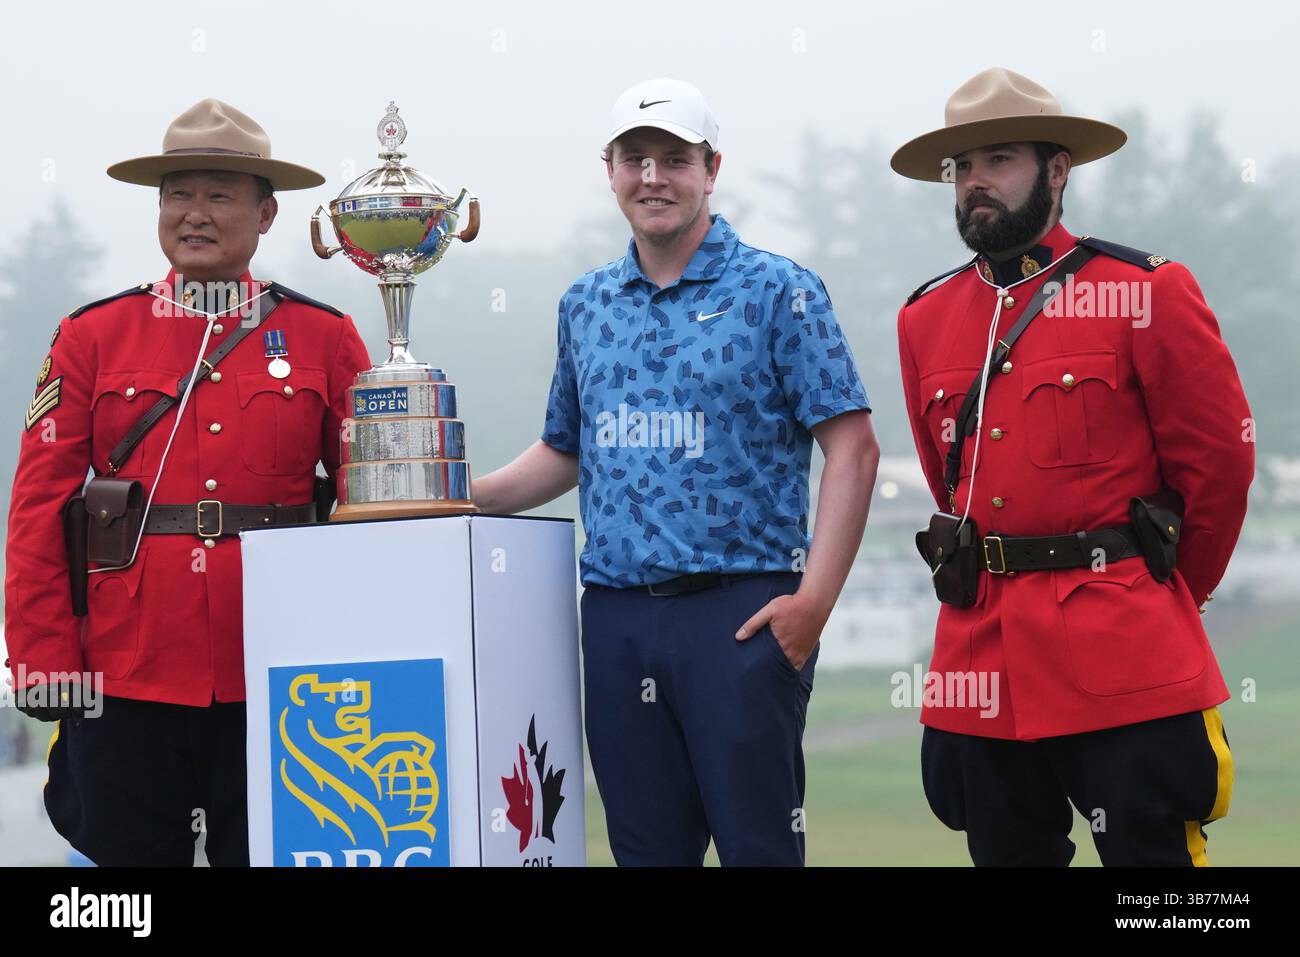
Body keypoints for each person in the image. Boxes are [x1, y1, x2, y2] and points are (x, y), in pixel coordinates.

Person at [474, 78, 879, 866]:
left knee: (759, 849)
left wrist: (813, 605)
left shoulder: (778, 290)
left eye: (674, 158)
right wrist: (460, 497)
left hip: (741, 613)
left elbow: (853, 447)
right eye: (635, 159)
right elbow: (566, 448)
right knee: (645, 852)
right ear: (610, 169)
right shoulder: (585, 302)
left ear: (711, 167)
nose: (652, 176)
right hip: (619, 620)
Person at [892, 67, 1253, 865]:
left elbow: (1218, 469)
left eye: (1000, 159)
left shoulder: (1143, 290)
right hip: (981, 657)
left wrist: (1151, 596)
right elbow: (950, 483)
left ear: (1057, 170)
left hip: (1123, 649)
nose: (976, 182)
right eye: (963, 167)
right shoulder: (925, 318)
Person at [3, 98, 372, 865]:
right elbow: (38, 511)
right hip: (125, 669)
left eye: (219, 194)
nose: (194, 213)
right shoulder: (93, 336)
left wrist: (359, 652)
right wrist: (43, 656)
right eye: (177, 193)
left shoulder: (323, 337)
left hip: (277, 673)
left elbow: (367, 508)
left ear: (266, 214)